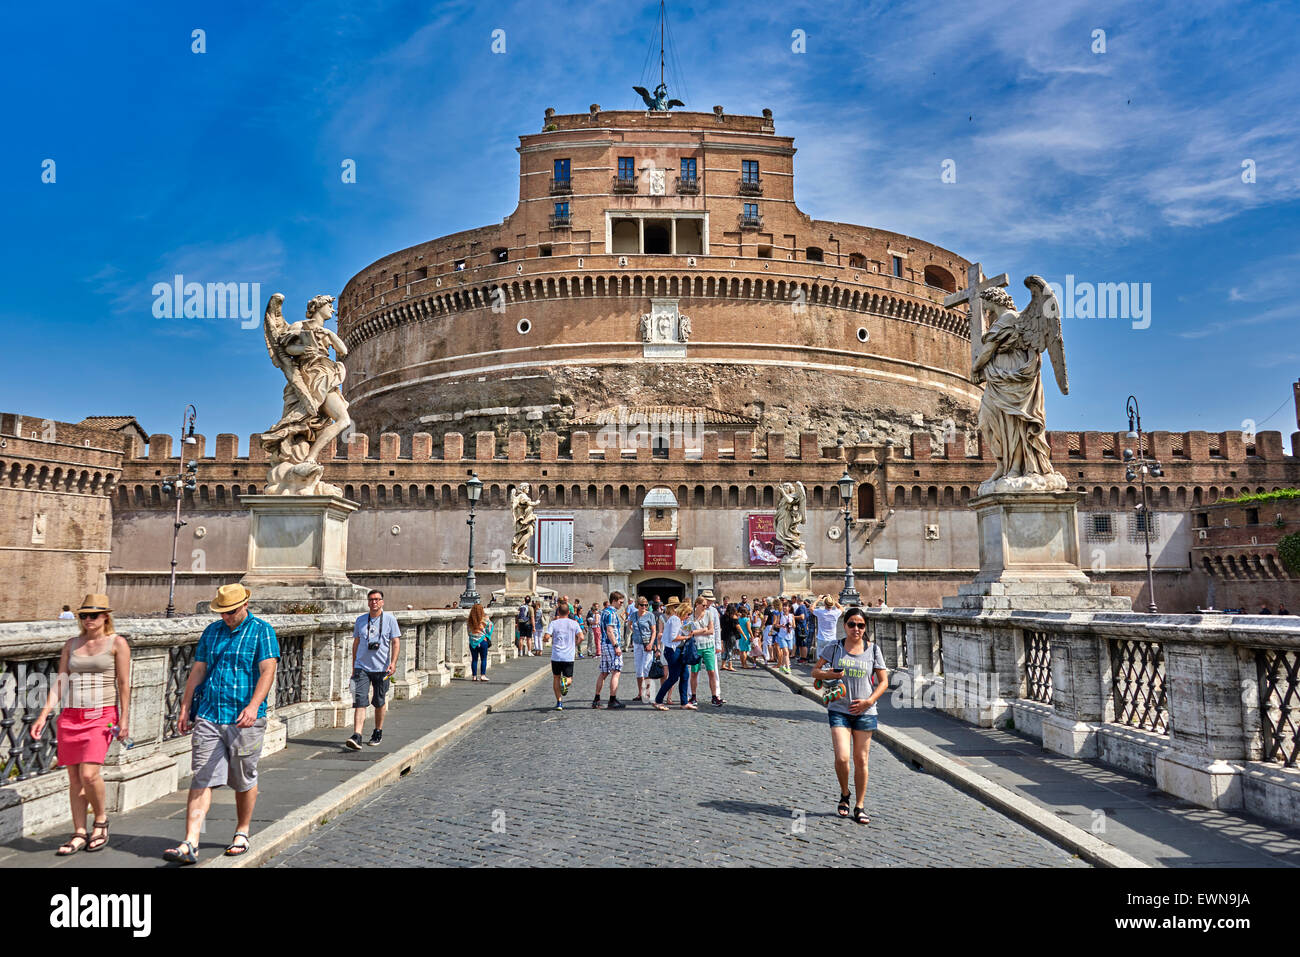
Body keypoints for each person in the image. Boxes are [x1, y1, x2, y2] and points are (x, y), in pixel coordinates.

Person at [164, 584, 279, 863]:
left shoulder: (262, 630)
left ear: (244, 606)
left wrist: (253, 706)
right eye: (223, 612)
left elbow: (268, 670)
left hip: (244, 720)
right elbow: (199, 669)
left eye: (231, 611)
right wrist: (185, 706)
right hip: (209, 715)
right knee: (201, 776)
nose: (226, 616)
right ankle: (190, 842)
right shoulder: (211, 632)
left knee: (242, 778)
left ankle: (242, 831)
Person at [30, 593, 131, 855]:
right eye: (83, 615)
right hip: (71, 716)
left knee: (89, 774)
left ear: (105, 616)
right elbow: (61, 680)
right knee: (74, 779)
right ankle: (79, 832)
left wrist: (125, 719)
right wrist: (44, 715)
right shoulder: (71, 644)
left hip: (101, 715)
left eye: (93, 615)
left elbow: (123, 684)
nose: (88, 619)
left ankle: (100, 820)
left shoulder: (117, 643)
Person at [811, 606, 888, 825]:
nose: (856, 629)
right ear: (844, 625)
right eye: (852, 624)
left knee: (861, 760)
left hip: (865, 711)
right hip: (839, 709)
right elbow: (815, 672)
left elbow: (883, 682)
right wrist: (829, 674)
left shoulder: (873, 650)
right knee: (842, 757)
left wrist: (869, 702)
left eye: (861, 625)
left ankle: (860, 805)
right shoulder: (834, 647)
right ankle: (845, 793)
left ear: (865, 628)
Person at [345, 590, 401, 749]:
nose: (374, 602)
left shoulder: (390, 620)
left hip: (382, 668)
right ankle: (357, 735)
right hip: (361, 667)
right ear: (368, 602)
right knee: (359, 700)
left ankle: (378, 730)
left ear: (382, 602)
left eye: (377, 599)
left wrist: (393, 662)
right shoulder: (361, 620)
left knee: (379, 701)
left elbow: (396, 642)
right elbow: (356, 643)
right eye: (371, 600)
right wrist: (354, 665)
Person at [653, 600, 694, 711]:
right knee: (673, 677)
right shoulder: (675, 620)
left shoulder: (678, 620)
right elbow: (673, 637)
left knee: (685, 675)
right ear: (683, 611)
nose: (688, 616)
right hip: (672, 650)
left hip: (678, 650)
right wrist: (687, 637)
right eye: (688, 614)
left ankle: (684, 702)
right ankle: (658, 700)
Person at [544, 599, 582, 710]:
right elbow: (582, 637)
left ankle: (559, 702)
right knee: (569, 678)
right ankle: (565, 682)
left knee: (556, 677)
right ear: (569, 613)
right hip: (568, 655)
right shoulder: (574, 623)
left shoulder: (553, 623)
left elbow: (546, 637)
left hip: (556, 655)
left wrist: (545, 639)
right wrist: (575, 644)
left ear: (558, 612)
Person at [686, 595, 723, 707]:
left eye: (706, 606)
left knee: (711, 672)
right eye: (703, 605)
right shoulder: (690, 617)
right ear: (697, 605)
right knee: (694, 673)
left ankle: (714, 696)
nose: (705, 607)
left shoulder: (709, 614)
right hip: (696, 647)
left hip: (708, 646)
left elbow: (711, 630)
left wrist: (697, 631)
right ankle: (693, 696)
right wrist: (703, 630)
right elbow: (689, 632)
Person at [593, 591, 627, 709]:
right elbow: (610, 630)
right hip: (611, 645)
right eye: (620, 602)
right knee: (616, 671)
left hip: (604, 644)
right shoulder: (612, 613)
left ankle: (596, 699)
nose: (622, 604)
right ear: (614, 601)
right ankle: (612, 699)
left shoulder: (604, 612)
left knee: (604, 672)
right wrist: (616, 645)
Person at [628, 596, 657, 702]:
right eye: (642, 605)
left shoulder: (650, 616)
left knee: (647, 668)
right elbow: (629, 625)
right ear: (637, 605)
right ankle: (640, 693)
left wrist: (651, 643)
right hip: (637, 644)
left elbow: (654, 631)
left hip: (647, 644)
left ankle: (648, 693)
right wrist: (634, 632)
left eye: (646, 605)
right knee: (638, 669)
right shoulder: (633, 615)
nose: (644, 607)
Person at [813, 595, 844, 663]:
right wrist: (833, 600)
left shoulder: (820, 612)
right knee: (831, 657)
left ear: (824, 604)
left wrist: (818, 599)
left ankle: (822, 670)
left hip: (821, 638)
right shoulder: (835, 613)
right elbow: (842, 608)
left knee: (820, 658)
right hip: (831, 639)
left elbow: (811, 608)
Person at [467, 603, 493, 682]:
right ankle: (483, 675)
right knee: (483, 659)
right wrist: (489, 620)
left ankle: (474, 676)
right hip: (482, 641)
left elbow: (468, 632)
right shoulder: (484, 620)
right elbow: (489, 629)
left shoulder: (470, 622)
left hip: (473, 643)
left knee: (474, 659)